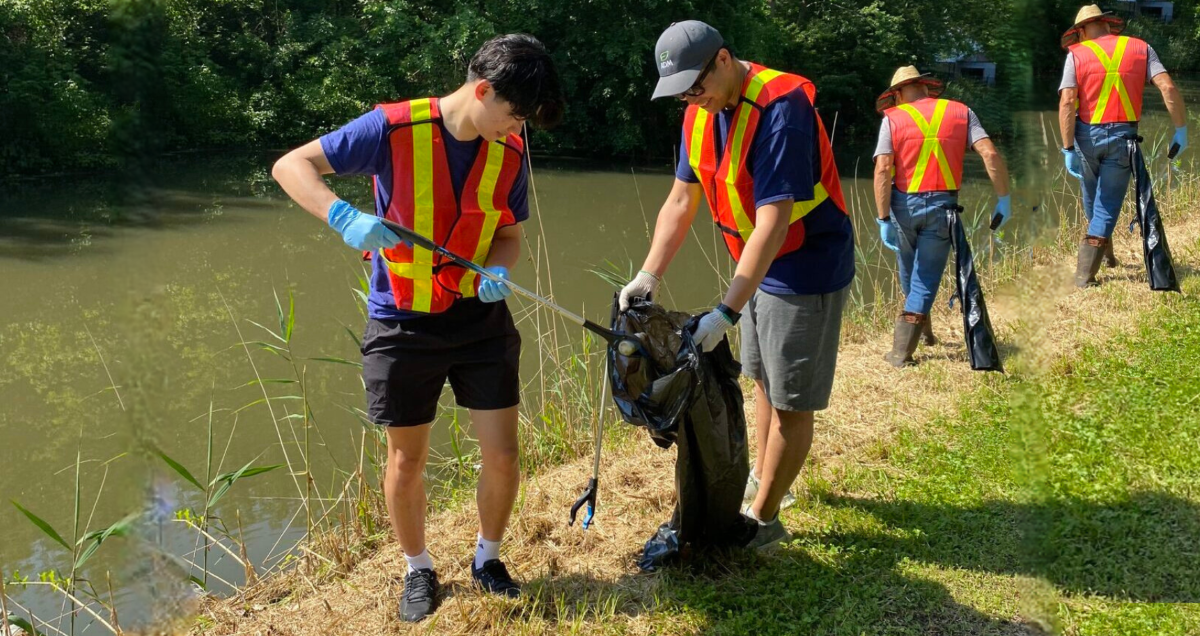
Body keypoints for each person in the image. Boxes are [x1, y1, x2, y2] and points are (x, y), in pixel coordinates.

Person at [271, 34, 563, 622]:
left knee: (504, 454)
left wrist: (498, 271)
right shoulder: (392, 128)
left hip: (480, 318)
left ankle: (487, 559)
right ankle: (418, 568)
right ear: (483, 91)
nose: (518, 129)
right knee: (406, 461)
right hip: (402, 321)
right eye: (514, 116)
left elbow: (509, 235)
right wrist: (342, 215)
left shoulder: (509, 151)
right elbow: (290, 165)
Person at [621, 20, 854, 550]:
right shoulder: (700, 112)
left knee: (791, 399)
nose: (691, 98)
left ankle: (764, 521)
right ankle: (763, 482)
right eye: (681, 92)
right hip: (755, 264)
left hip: (804, 264)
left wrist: (726, 310)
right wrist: (649, 274)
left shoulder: (782, 109)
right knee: (763, 380)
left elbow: (774, 220)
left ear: (723, 59)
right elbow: (681, 199)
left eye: (695, 86)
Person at [873, 66, 1011, 367]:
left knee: (909, 268)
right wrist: (1004, 198)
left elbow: (883, 169)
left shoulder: (892, 119)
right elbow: (989, 153)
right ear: (925, 87)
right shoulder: (962, 112)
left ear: (897, 94)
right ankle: (904, 350)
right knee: (924, 277)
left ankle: (919, 339)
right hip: (941, 207)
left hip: (902, 206)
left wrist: (883, 219)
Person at [1059, 4, 1188, 287]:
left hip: (1085, 136)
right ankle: (1084, 276)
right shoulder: (1141, 48)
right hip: (1122, 138)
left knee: (1092, 195)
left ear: (1081, 31)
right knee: (1106, 204)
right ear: (1107, 24)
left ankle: (1106, 257)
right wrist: (1181, 129)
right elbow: (1167, 87)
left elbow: (1067, 101)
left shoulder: (1076, 54)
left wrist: (1067, 149)